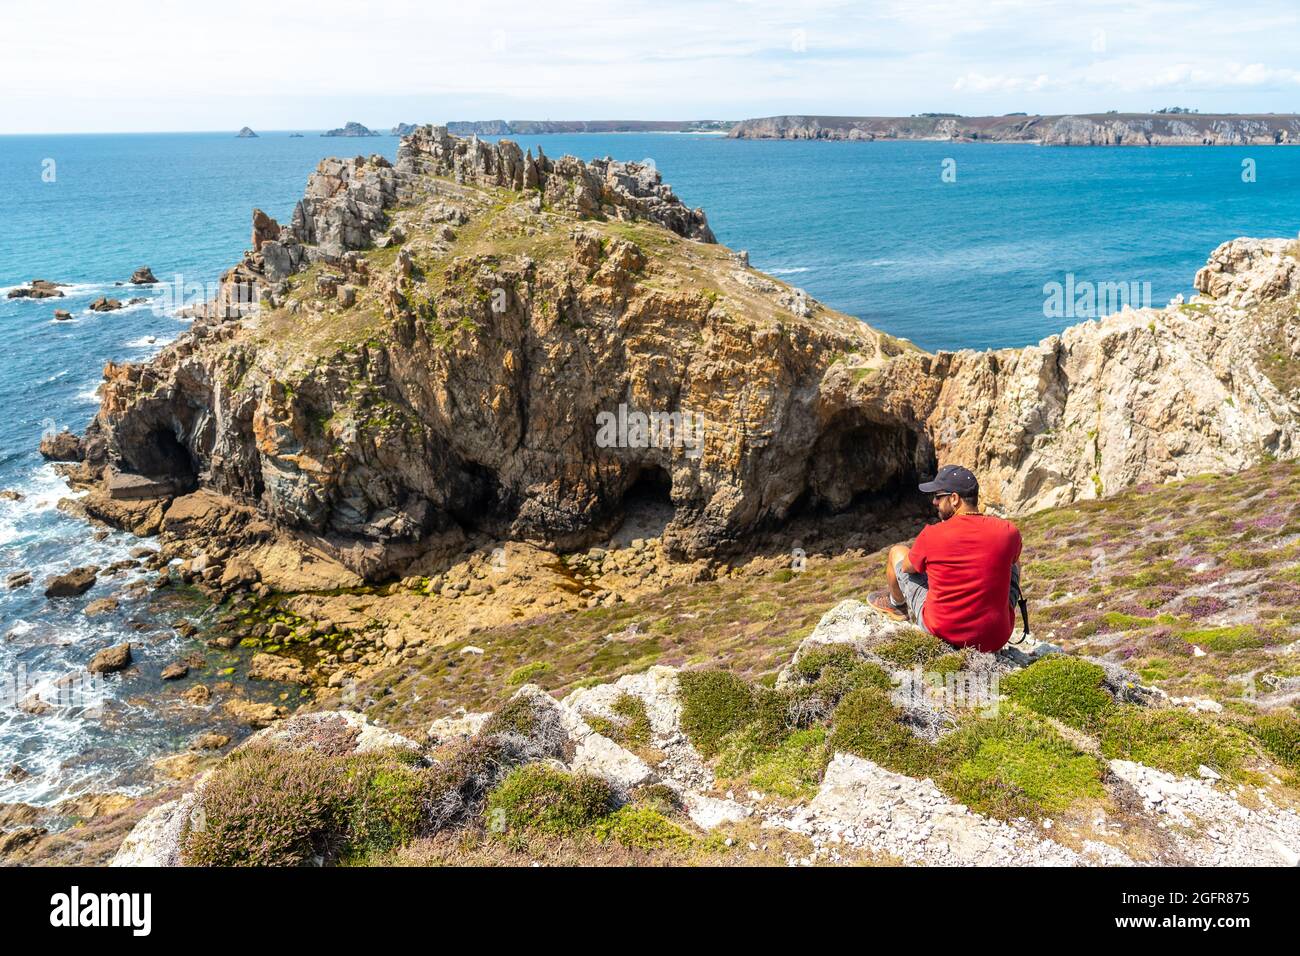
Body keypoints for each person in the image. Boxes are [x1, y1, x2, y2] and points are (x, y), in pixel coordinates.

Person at [870, 465, 1022, 654]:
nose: (934, 502)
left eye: (938, 496)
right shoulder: (1008, 532)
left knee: (897, 552)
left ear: (954, 499)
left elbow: (908, 568)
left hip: (944, 632)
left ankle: (896, 605)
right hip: (995, 638)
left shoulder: (933, 534)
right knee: (1014, 562)